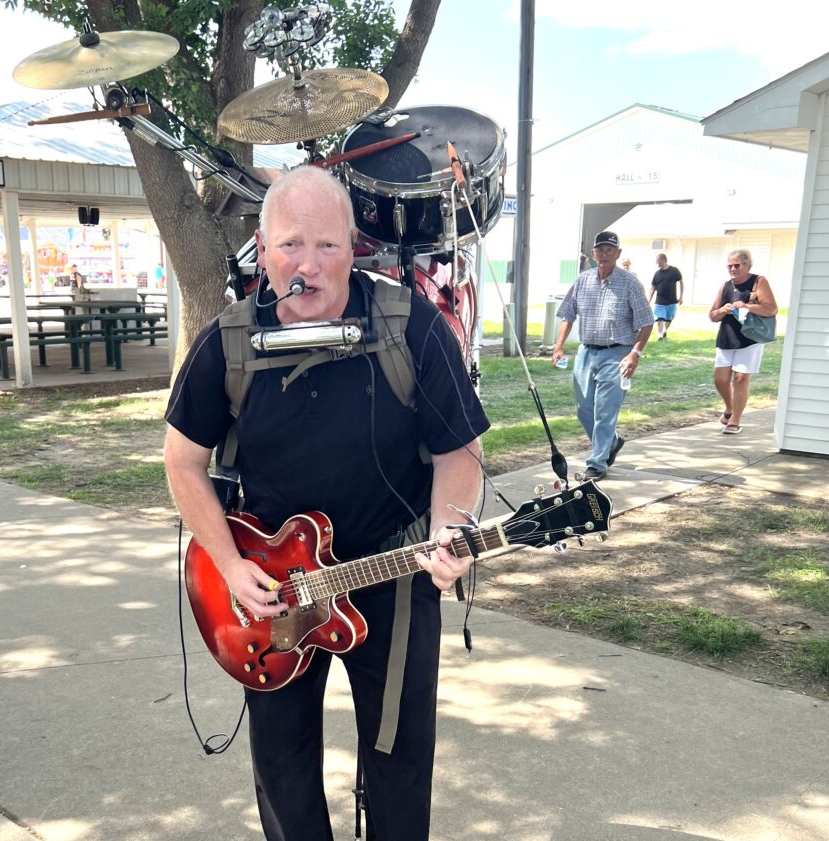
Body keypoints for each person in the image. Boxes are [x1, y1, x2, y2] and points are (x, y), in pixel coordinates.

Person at [163, 166, 488, 841]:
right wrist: (227, 564)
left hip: (390, 575)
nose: (308, 266)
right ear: (261, 244)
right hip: (271, 587)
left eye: (328, 247)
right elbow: (183, 461)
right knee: (283, 768)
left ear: (356, 244)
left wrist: (450, 530)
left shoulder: (411, 328)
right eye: (290, 246)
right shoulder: (226, 342)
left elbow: (460, 450)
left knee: (399, 761)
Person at [552, 231, 654, 480]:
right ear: (593, 254)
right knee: (583, 410)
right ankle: (611, 442)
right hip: (586, 353)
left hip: (617, 353)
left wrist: (635, 354)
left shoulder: (630, 283)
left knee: (605, 411)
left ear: (618, 254)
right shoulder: (582, 280)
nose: (605, 254)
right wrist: (558, 346)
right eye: (601, 250)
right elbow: (568, 314)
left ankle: (597, 463)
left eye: (610, 250)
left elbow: (647, 322)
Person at [708, 249, 778, 434]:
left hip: (750, 338)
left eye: (737, 265)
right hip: (727, 336)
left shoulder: (758, 281)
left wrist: (746, 306)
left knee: (741, 378)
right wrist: (723, 310)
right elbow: (713, 315)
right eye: (729, 266)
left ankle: (735, 421)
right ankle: (730, 409)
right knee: (720, 379)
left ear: (747, 265)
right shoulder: (726, 286)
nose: (732, 269)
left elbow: (771, 309)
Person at [648, 253, 683, 341]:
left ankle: (664, 331)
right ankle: (660, 336)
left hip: (672, 300)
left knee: (668, 319)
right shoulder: (657, 273)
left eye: (657, 261)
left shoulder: (674, 271)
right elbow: (653, 287)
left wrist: (681, 296)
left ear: (663, 260)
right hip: (660, 301)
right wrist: (648, 300)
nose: (656, 263)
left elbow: (681, 283)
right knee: (659, 319)